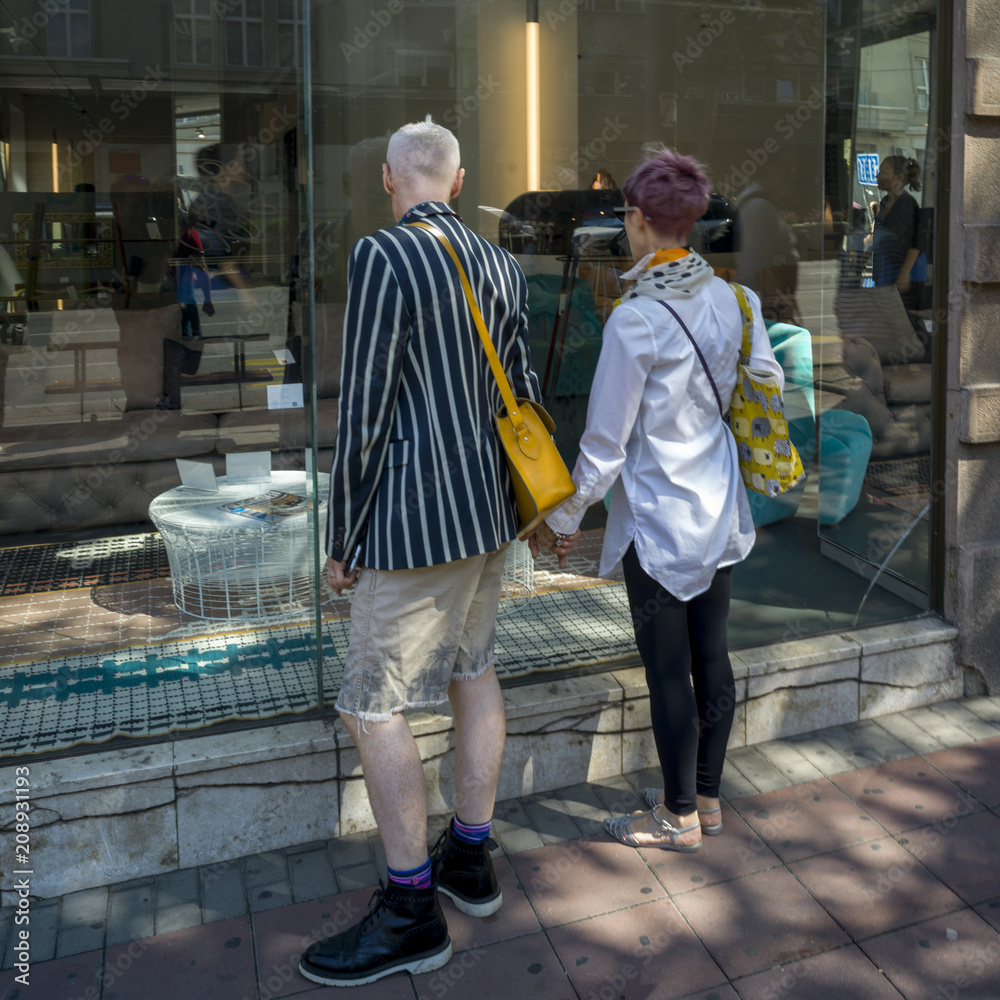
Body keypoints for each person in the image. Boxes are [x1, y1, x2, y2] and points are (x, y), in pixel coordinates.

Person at [298, 119, 543, 987]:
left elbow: (364, 404)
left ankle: (410, 911)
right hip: (486, 518)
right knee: (473, 670)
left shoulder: (383, 256)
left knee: (371, 703)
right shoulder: (502, 263)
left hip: (410, 523)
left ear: (389, 179)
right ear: (458, 176)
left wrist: (342, 535)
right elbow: (524, 391)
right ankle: (468, 860)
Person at [532, 146, 784, 853]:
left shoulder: (634, 320)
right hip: (719, 507)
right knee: (714, 655)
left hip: (658, 520)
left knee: (669, 668)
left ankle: (675, 818)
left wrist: (563, 518)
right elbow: (766, 384)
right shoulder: (738, 300)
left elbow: (604, 445)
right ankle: (704, 800)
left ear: (640, 220)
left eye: (627, 217)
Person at [872, 155, 925, 308]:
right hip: (888, 269)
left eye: (883, 172)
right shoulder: (884, 202)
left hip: (905, 273)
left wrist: (904, 272)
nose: (877, 176)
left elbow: (916, 242)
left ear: (899, 177)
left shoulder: (908, 204)